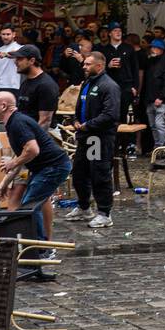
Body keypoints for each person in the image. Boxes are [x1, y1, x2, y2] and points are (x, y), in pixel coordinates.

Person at [0, 91, 72, 259]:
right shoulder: (13, 123)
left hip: (53, 167)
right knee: (30, 206)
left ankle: (42, 250)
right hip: (45, 168)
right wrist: (5, 182)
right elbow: (22, 158)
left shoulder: (17, 123)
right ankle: (38, 247)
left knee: (29, 207)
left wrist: (12, 163)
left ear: (3, 106)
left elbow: (33, 150)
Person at [64, 51, 121, 229]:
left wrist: (87, 125)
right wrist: (75, 120)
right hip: (86, 136)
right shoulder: (88, 83)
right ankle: (84, 207)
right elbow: (80, 106)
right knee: (80, 172)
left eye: (88, 64)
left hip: (98, 137)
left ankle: (104, 213)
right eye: (84, 64)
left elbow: (111, 115)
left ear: (99, 66)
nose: (84, 67)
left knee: (99, 173)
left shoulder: (108, 86)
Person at [98, 22, 140, 121]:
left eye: (120, 31)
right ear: (110, 33)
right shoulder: (104, 50)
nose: (118, 32)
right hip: (110, 87)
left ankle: (127, 136)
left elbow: (135, 69)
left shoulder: (129, 48)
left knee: (128, 116)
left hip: (127, 87)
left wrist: (135, 87)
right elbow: (99, 70)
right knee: (111, 113)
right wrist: (108, 66)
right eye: (115, 30)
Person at [139, 38, 165, 148]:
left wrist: (161, 97)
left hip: (162, 100)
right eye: (152, 48)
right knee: (153, 125)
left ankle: (163, 147)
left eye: (156, 48)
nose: (153, 50)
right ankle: (157, 146)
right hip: (149, 99)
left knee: (160, 124)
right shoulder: (149, 62)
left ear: (162, 50)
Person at [14, 45, 59, 126]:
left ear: (32, 61)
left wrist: (32, 138)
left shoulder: (46, 85)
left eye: (20, 59)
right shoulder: (26, 82)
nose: (15, 62)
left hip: (36, 136)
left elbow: (45, 121)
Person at [0, 25, 22, 96]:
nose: (5, 37)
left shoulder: (20, 48)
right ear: (0, 35)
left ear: (14, 34)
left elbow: (18, 54)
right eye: (3, 34)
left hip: (13, 86)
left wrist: (6, 55)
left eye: (8, 34)